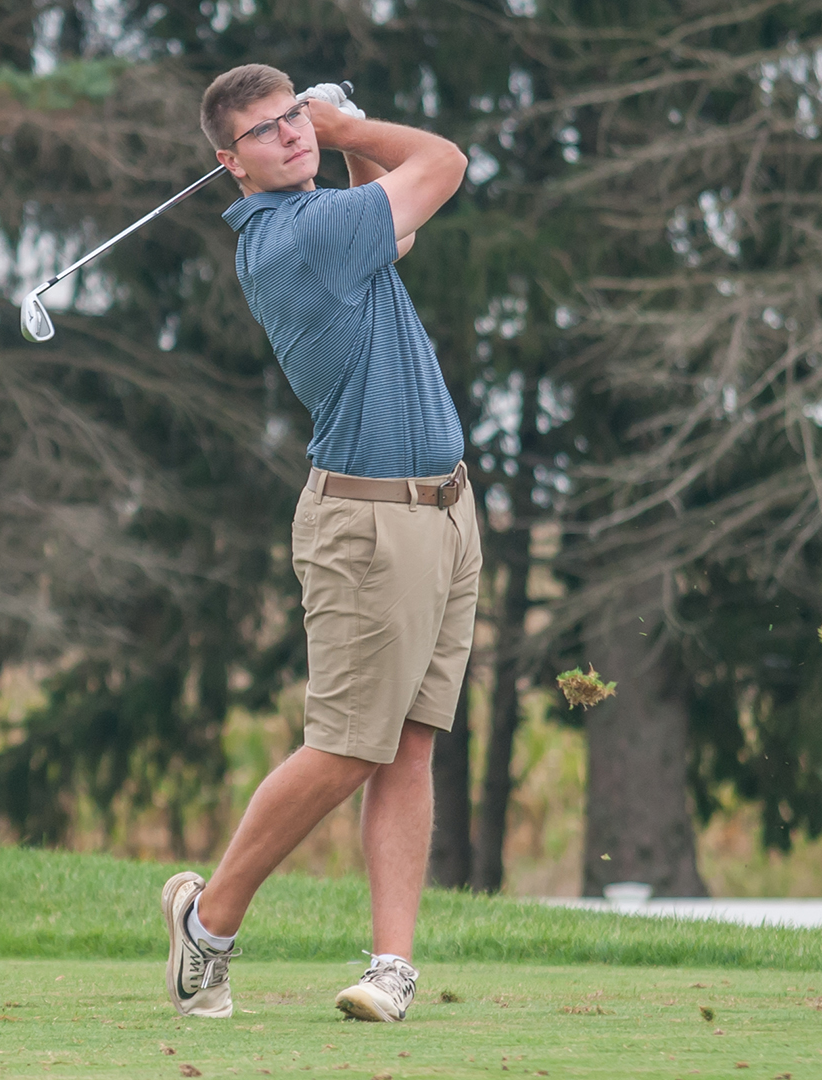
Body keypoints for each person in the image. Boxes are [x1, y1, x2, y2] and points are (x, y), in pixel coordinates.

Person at [162, 63, 477, 1025]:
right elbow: (442, 162)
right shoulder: (298, 240)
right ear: (232, 164)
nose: (291, 133)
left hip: (447, 510)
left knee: (411, 747)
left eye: (294, 113)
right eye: (267, 130)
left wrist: (334, 135)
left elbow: (400, 223)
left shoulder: (330, 229)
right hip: (368, 524)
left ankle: (390, 968)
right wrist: (347, 124)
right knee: (346, 751)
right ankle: (207, 927)